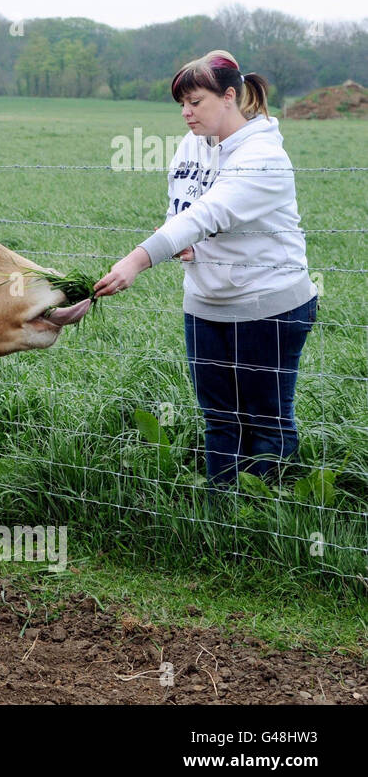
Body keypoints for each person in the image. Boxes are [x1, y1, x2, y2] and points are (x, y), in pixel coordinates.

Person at [93, 50, 319, 489]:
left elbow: (206, 214)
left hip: (266, 307)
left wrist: (136, 261)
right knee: (219, 421)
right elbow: (182, 210)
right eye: (181, 104)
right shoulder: (192, 143)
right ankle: (220, 516)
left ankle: (265, 522)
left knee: (266, 424)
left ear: (229, 96)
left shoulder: (263, 156)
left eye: (195, 101)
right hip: (205, 303)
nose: (186, 113)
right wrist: (185, 245)